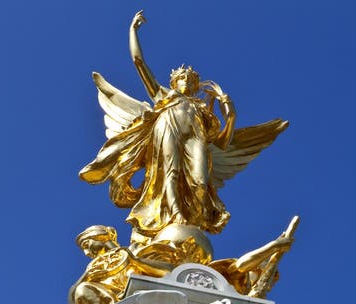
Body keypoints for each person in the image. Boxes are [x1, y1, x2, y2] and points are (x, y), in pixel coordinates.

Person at [79, 12, 287, 241]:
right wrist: (133, 30)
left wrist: (231, 117)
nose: (186, 81)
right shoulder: (164, 96)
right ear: (174, 82)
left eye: (190, 79)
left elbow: (222, 144)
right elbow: (139, 62)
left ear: (196, 85)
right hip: (167, 128)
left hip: (194, 137)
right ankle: (176, 214)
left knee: (200, 180)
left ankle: (193, 218)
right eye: (182, 78)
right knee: (170, 172)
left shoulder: (203, 111)